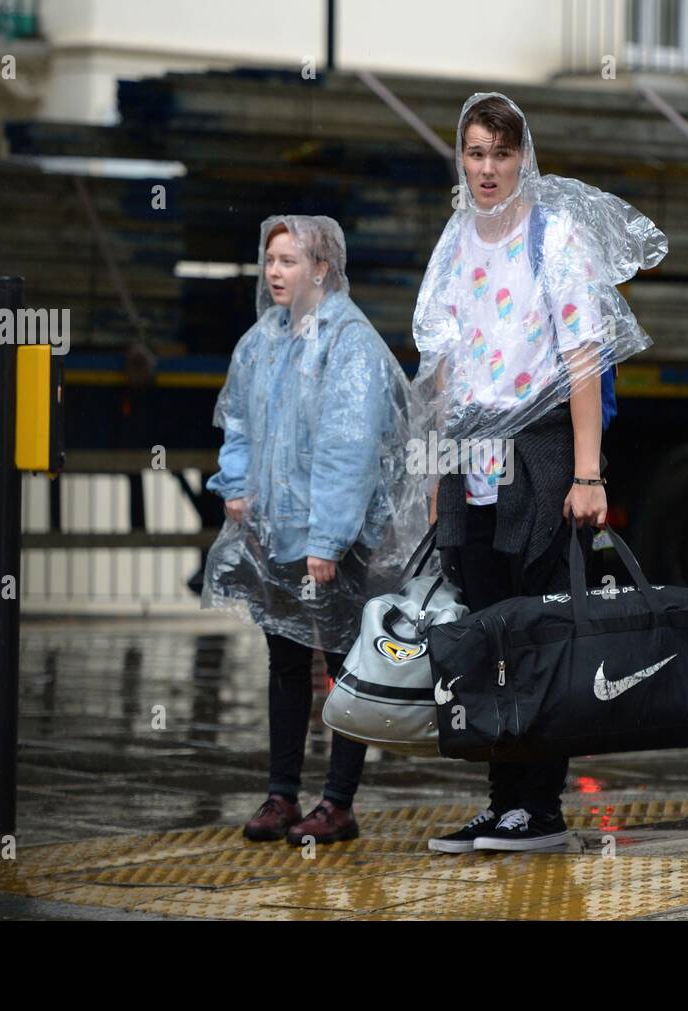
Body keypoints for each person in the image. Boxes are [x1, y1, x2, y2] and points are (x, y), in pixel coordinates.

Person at [412, 93, 667, 853]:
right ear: (461, 158)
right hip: (472, 465)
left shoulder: (553, 239)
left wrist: (589, 474)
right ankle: (502, 802)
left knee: (543, 636)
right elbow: (442, 367)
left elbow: (584, 358)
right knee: (487, 636)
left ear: (525, 157)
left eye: (502, 152)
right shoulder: (456, 241)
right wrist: (436, 471)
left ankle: (541, 806)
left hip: (542, 456)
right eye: (475, 152)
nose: (488, 168)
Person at [203, 214, 424, 846]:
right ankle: (280, 794)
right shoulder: (263, 340)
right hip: (278, 534)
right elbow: (239, 419)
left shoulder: (347, 343)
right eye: (270, 260)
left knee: (344, 663)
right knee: (284, 656)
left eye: (289, 260)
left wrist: (327, 540)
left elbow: (346, 447)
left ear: (322, 268)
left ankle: (339, 802)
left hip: (337, 540)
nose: (275, 272)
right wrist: (238, 486)